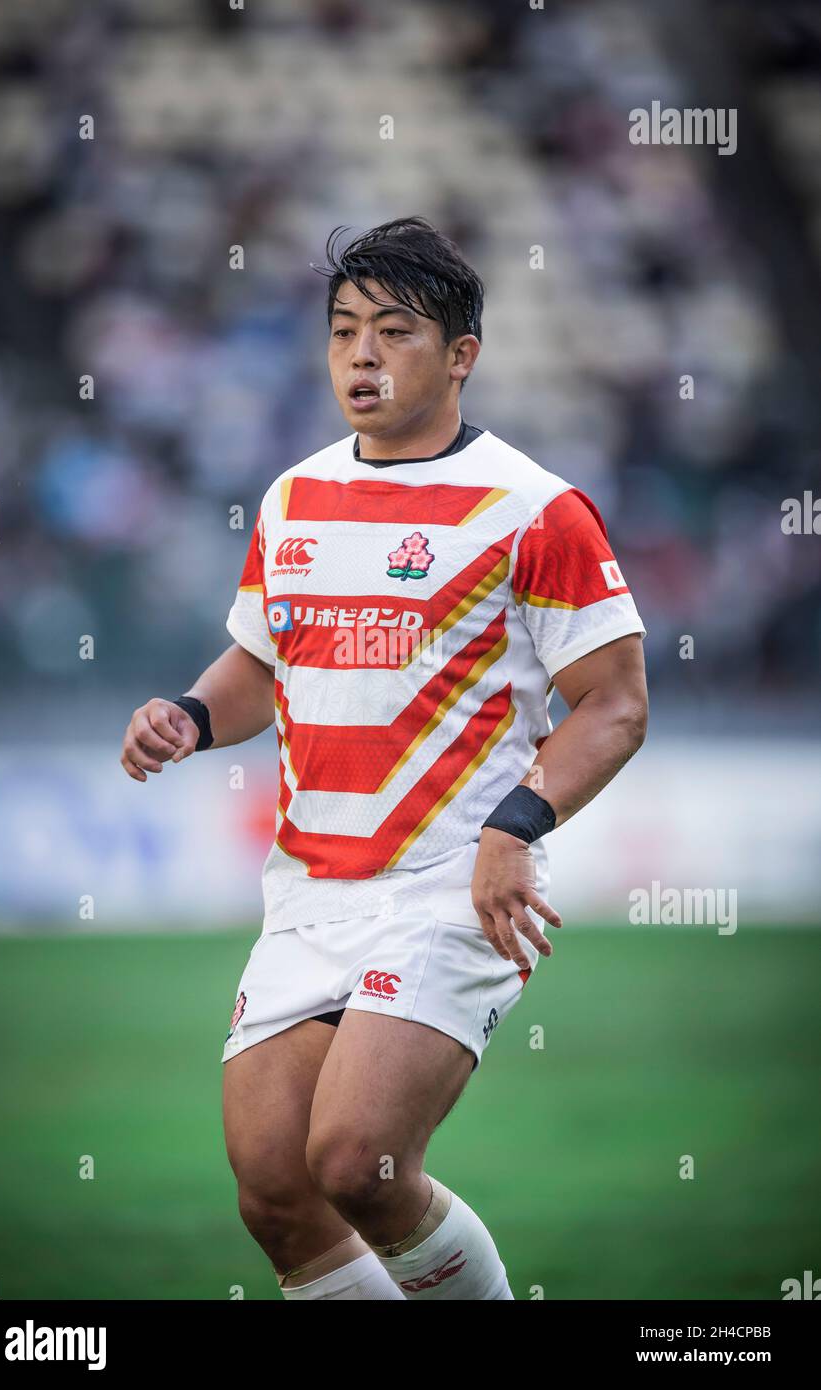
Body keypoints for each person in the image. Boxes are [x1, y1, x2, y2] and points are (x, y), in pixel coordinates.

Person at [120, 217, 648, 1300]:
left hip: (449, 882)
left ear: (460, 355)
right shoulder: (294, 498)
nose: (360, 356)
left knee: (357, 1159)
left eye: (393, 332)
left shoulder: (534, 508)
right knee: (273, 1190)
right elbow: (260, 669)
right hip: (308, 891)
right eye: (342, 331)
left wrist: (517, 825)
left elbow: (615, 704)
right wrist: (185, 712)